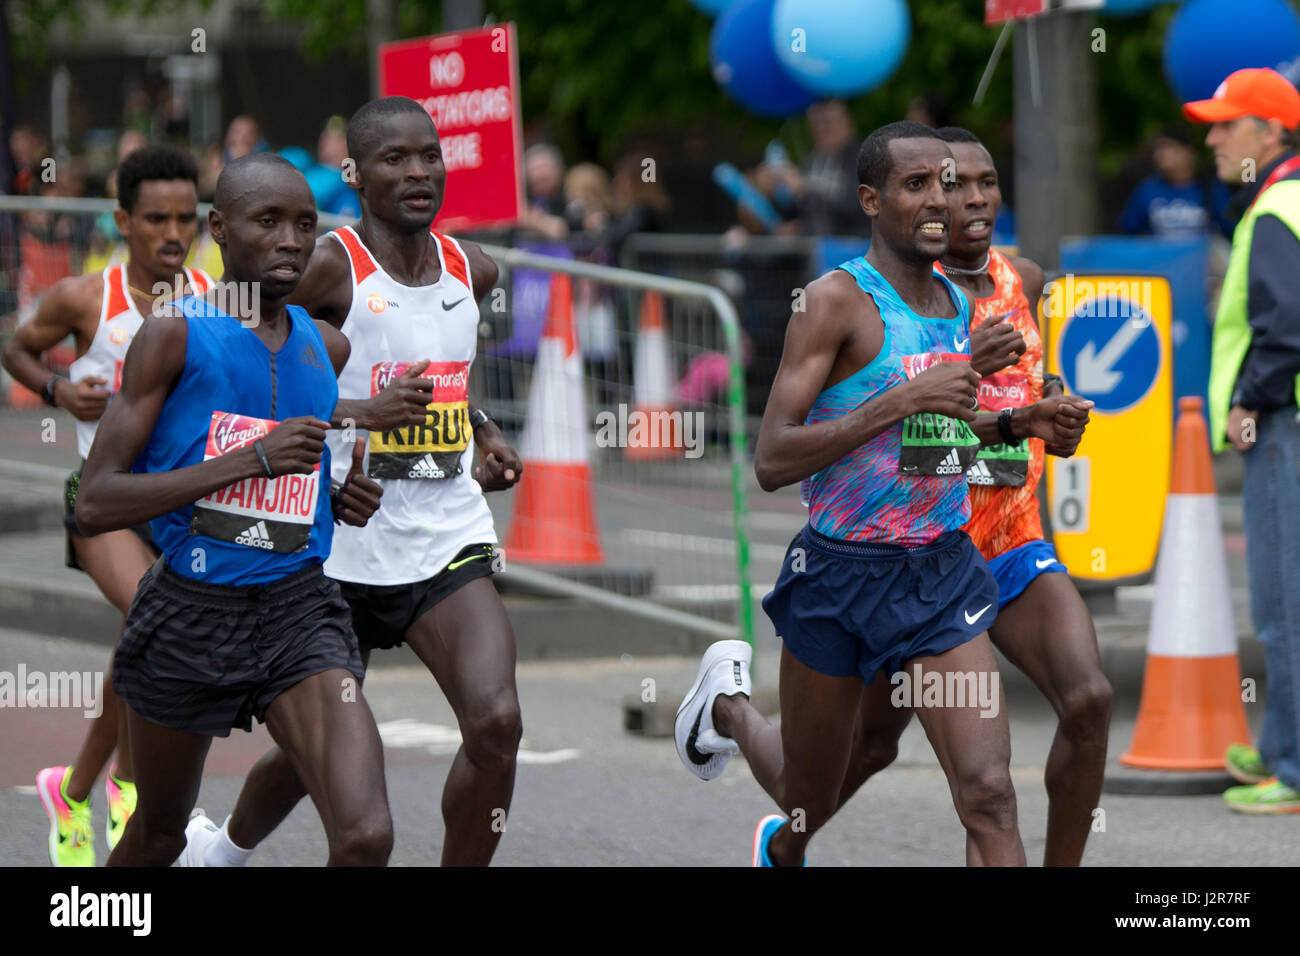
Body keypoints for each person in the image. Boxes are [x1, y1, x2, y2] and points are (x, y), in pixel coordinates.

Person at [675, 122, 1086, 866]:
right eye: (916, 184)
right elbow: (773, 458)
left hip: (939, 576)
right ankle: (728, 708)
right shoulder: (833, 302)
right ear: (870, 200)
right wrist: (900, 401)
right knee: (804, 793)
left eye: (948, 184)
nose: (940, 200)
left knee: (989, 792)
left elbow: (934, 446)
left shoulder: (956, 307)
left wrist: (1019, 423)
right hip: (838, 577)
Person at [181, 96, 526, 867]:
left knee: (497, 723)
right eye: (394, 159)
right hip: (335, 545)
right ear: (356, 175)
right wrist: (355, 419)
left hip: (443, 536)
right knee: (312, 757)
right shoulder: (331, 266)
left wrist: (482, 429)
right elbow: (248, 364)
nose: (417, 172)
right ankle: (221, 851)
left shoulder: (474, 268)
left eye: (429, 156)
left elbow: (445, 375)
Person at [74, 152, 392, 865]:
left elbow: (287, 477)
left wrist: (335, 500)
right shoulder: (174, 334)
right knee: (159, 833)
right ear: (219, 228)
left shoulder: (325, 345)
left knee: (366, 835)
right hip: (190, 611)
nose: (290, 241)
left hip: (298, 608)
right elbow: (95, 501)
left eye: (305, 225)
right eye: (267, 221)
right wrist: (252, 460)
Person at [897, 126, 1106, 866]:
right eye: (955, 186)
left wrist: (1055, 411)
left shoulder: (1025, 279)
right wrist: (1009, 416)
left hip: (1014, 539)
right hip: (927, 553)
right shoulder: (910, 297)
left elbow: (1033, 388)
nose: (976, 198)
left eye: (987, 182)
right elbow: (916, 450)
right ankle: (773, 808)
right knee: (855, 757)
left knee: (1089, 699)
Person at [2, 145, 215, 866]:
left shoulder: (214, 300)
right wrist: (59, 390)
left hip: (179, 504)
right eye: (156, 219)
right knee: (154, 611)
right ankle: (125, 787)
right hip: (102, 500)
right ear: (123, 221)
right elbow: (17, 348)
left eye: (186, 218)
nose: (173, 234)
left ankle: (79, 788)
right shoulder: (86, 298)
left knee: (141, 636)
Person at [1185, 67, 1300, 814]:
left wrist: (1250, 401)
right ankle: (1283, 739)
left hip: (1284, 423)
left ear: (1272, 131)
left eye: (1228, 124)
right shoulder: (1286, 199)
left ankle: (1292, 767)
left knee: (1284, 601)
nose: (1214, 139)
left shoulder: (1276, 208)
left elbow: (1286, 330)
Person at [1119, 126, 1232, 238]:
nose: (1161, 153)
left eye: (1169, 146)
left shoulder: (1211, 188)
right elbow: (1128, 231)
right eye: (1158, 148)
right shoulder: (1147, 190)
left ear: (1189, 152)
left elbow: (1229, 227)